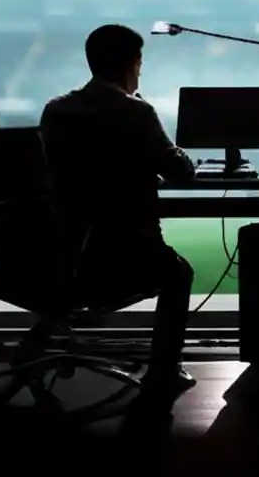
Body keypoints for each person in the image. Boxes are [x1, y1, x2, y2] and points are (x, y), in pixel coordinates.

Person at [39, 24, 198, 401]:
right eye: (139, 63)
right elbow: (181, 171)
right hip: (119, 257)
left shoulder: (54, 110)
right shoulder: (135, 111)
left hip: (59, 256)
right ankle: (164, 370)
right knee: (179, 274)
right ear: (132, 64)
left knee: (71, 278)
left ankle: (41, 340)